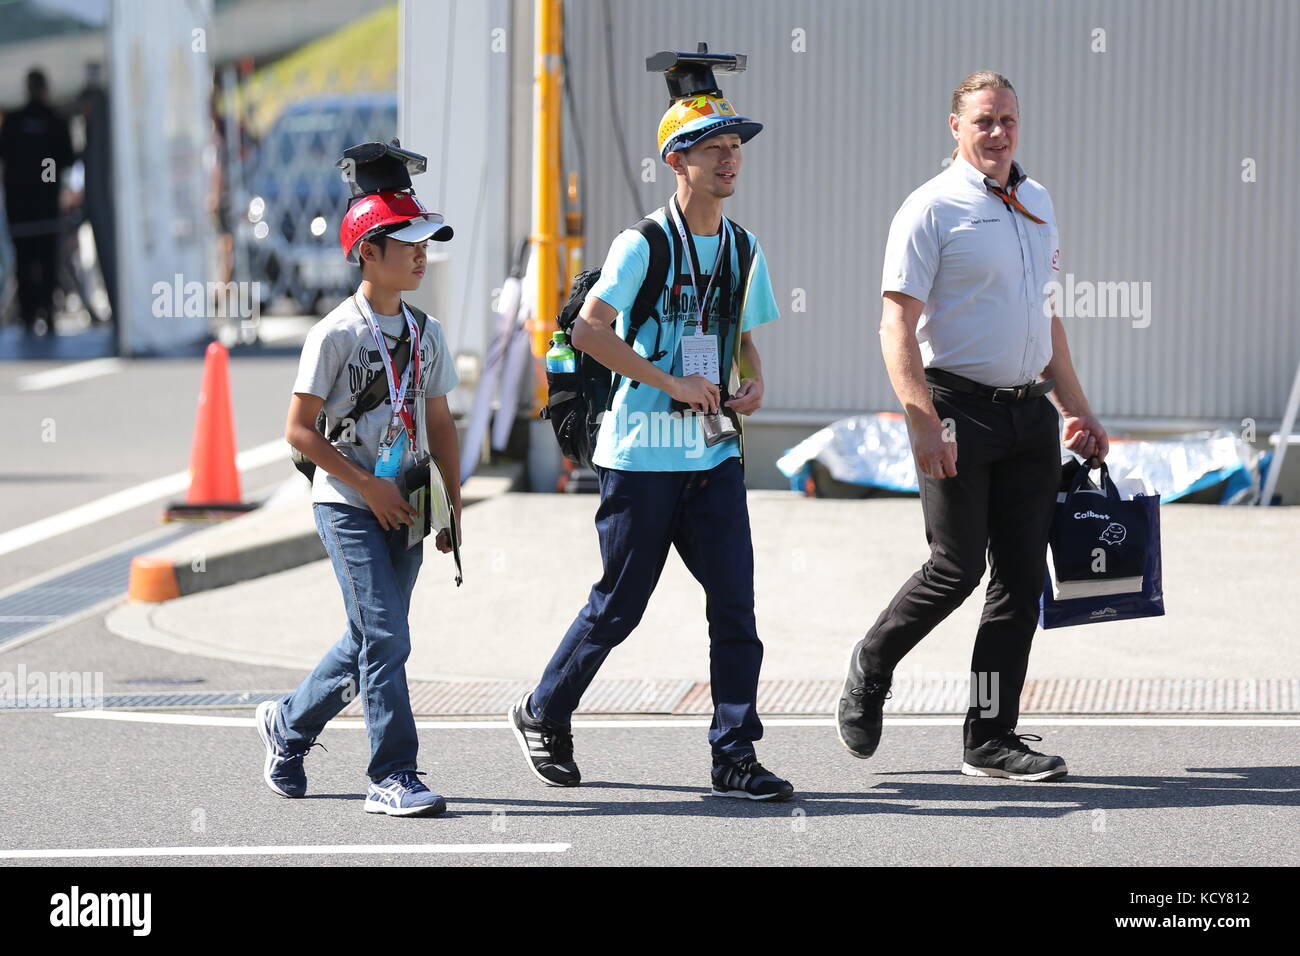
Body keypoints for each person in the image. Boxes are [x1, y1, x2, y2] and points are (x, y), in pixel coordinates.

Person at [509, 52, 794, 801]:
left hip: (713, 454)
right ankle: (543, 709)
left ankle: (734, 753)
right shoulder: (643, 243)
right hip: (640, 456)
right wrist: (673, 382)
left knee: (736, 607)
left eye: (735, 144)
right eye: (714, 146)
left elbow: (741, 331)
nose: (730, 157)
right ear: (677, 159)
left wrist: (753, 378)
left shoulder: (742, 246)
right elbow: (592, 330)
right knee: (619, 607)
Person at [836, 71, 1109, 781]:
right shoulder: (930, 209)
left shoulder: (1038, 201)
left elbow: (1047, 320)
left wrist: (1075, 407)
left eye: (1009, 120)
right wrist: (921, 421)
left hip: (1028, 415)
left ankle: (990, 738)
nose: (998, 133)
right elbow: (895, 324)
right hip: (956, 409)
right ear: (955, 127)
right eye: (984, 120)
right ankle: (873, 659)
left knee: (1019, 582)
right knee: (956, 569)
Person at [262, 147, 462, 817]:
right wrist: (366, 486)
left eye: (424, 240)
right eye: (406, 241)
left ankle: (288, 728)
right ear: (368, 250)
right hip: (348, 503)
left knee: (369, 638)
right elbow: (298, 431)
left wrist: (450, 505)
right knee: (387, 637)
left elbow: (441, 423)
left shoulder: (427, 332)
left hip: (406, 502)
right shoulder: (334, 334)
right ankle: (392, 775)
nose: (420, 253)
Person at [0, 68, 74, 335]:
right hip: (41, 204)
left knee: (28, 259)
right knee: (45, 259)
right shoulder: (51, 120)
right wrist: (46, 179)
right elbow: (63, 158)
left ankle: (31, 313)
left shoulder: (18, 121)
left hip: (23, 204)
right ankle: (43, 310)